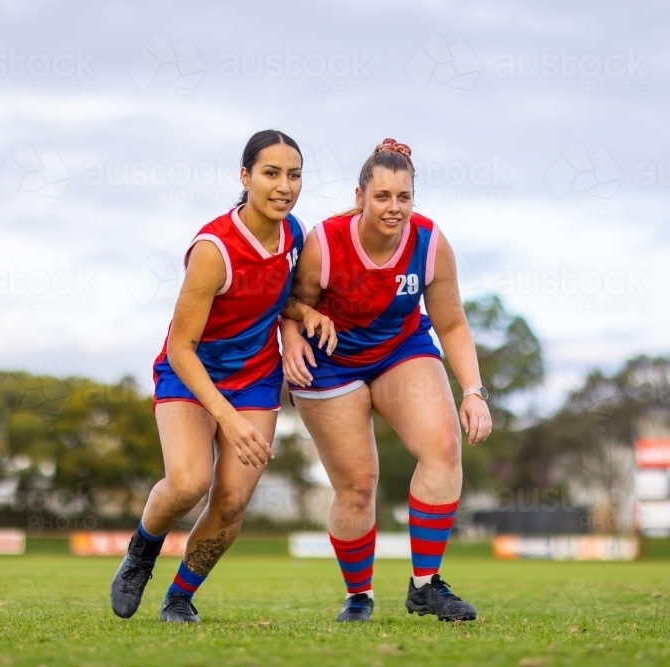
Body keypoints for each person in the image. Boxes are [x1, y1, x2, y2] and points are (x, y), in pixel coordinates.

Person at [110, 130, 337, 624]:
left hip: (255, 376)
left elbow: (275, 300)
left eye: (294, 174)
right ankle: (141, 553)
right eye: (271, 173)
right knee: (190, 482)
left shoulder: (294, 233)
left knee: (232, 500)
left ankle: (180, 596)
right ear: (245, 177)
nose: (284, 186)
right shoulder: (214, 249)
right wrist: (229, 420)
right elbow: (180, 347)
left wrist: (305, 313)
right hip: (190, 374)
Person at [281, 138, 492, 623]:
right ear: (360, 198)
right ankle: (359, 595)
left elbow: (452, 323)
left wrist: (474, 392)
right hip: (330, 361)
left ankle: (426, 585)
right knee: (357, 485)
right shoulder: (324, 241)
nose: (394, 208)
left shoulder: (431, 243)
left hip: (400, 350)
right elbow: (291, 302)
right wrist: (291, 339)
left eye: (403, 197)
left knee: (443, 447)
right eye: (382, 197)